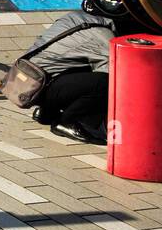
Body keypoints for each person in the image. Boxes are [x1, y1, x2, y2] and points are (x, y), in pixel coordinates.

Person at [26, 10, 117, 144]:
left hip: (29, 78)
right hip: (43, 86)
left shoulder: (76, 17)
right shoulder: (102, 35)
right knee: (105, 83)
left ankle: (46, 113)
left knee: (76, 64)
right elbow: (111, 70)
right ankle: (66, 121)